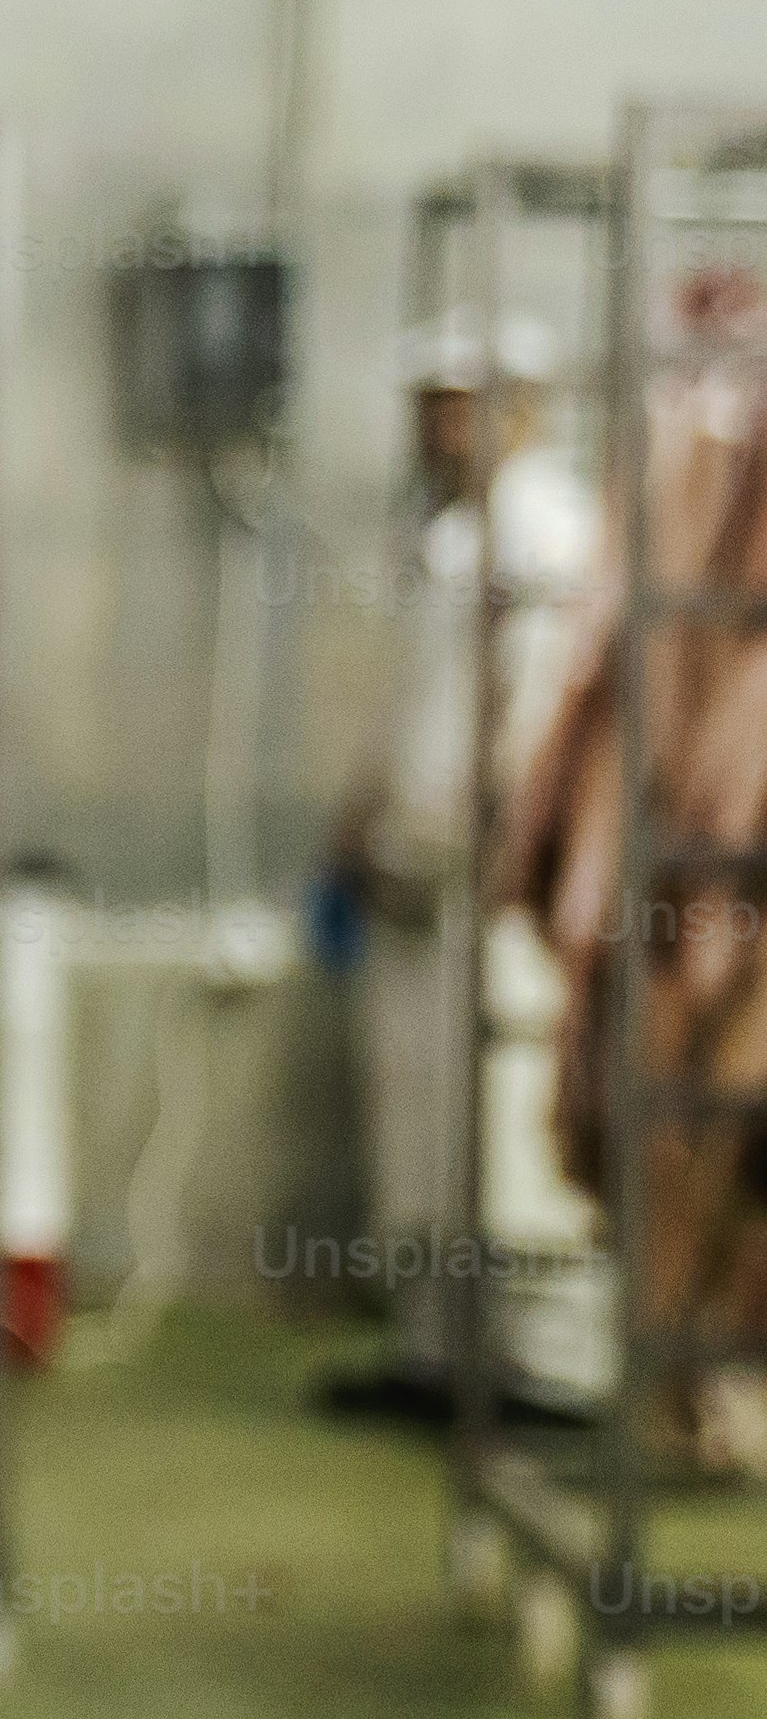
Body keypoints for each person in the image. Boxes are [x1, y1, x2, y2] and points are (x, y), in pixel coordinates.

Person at [341, 308, 606, 1413]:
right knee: (422, 1115)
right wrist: (364, 819)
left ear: (524, 408)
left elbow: (542, 707)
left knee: (508, 1114)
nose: (442, 429)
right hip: (419, 871)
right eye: (432, 408)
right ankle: (440, 1355)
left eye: (461, 406)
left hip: (500, 881)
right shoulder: (448, 530)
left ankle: (555, 1365)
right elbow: (415, 704)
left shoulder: (548, 527)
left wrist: (504, 841)